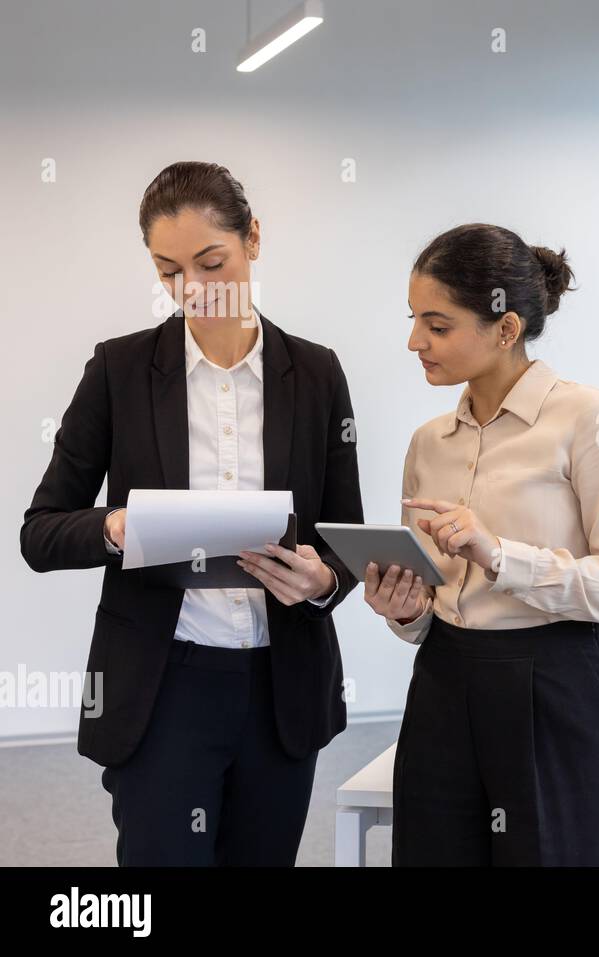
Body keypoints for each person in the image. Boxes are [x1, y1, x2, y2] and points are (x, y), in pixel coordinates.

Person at [20, 161, 364, 865]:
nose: (193, 290)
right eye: (170, 271)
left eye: (213, 263)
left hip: (281, 687)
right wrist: (118, 527)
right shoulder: (118, 371)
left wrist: (320, 581)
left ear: (254, 239)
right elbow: (41, 531)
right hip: (162, 686)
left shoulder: (318, 373)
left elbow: (343, 541)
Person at [362, 223, 599, 866]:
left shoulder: (591, 419)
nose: (415, 342)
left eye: (438, 326)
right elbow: (431, 606)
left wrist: (500, 556)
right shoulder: (427, 442)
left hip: (560, 688)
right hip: (443, 684)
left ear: (505, 327)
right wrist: (406, 608)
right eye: (415, 321)